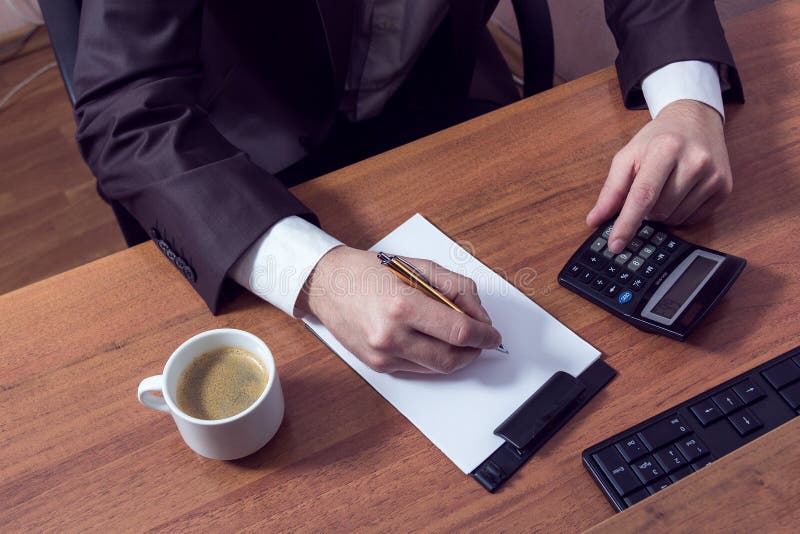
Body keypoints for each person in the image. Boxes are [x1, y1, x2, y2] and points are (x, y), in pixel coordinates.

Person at [72, 1, 743, 374]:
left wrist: (687, 97)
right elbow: (125, 111)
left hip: (441, 100)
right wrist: (317, 275)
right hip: (233, 164)